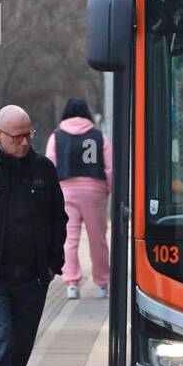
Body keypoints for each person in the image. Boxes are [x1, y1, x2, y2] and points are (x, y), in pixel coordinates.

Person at [0, 104, 67, 366]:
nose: (23, 142)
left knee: (21, 344)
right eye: (17, 137)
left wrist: (52, 264)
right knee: (2, 338)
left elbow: (57, 218)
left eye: (28, 135)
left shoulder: (42, 169)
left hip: (32, 276)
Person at [45, 98, 111, 300]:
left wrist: (51, 194)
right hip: (94, 191)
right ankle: (102, 284)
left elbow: (49, 165)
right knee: (97, 238)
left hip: (66, 192)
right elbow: (110, 167)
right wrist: (109, 189)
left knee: (69, 238)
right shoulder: (99, 136)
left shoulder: (56, 137)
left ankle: (71, 283)